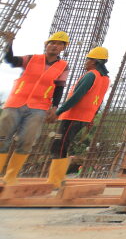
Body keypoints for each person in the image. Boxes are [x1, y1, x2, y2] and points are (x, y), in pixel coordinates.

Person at [0, 30, 70, 184]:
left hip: (38, 107)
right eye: (52, 43)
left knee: (27, 141)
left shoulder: (63, 66)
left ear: (63, 48)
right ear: (46, 45)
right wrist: (9, 43)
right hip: (15, 103)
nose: (54, 46)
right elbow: (10, 60)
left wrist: (55, 107)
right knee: (2, 138)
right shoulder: (31, 59)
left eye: (59, 44)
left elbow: (59, 87)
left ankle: (10, 176)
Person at [48, 46, 110, 187]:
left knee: (59, 145)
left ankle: (56, 180)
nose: (85, 62)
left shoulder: (90, 75)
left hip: (73, 116)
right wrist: (92, 118)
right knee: (60, 145)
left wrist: (58, 112)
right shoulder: (105, 79)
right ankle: (56, 179)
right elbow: (98, 100)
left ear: (94, 61)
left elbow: (76, 97)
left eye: (87, 59)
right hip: (84, 117)